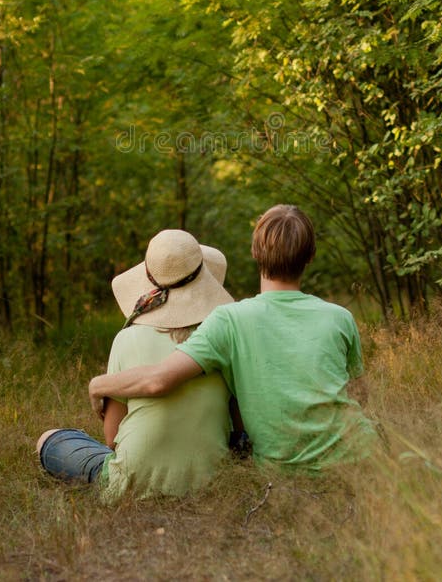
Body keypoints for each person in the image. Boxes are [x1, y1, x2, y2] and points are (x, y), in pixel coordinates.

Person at [89, 205, 375, 472]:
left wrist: (98, 385)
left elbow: (158, 380)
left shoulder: (230, 320)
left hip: (283, 470)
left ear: (255, 252)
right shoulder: (340, 317)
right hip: (360, 458)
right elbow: (359, 397)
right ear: (311, 256)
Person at [37, 229, 235, 500]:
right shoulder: (223, 338)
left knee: (49, 439)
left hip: (132, 485)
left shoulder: (127, 339)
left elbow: (112, 438)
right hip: (210, 479)